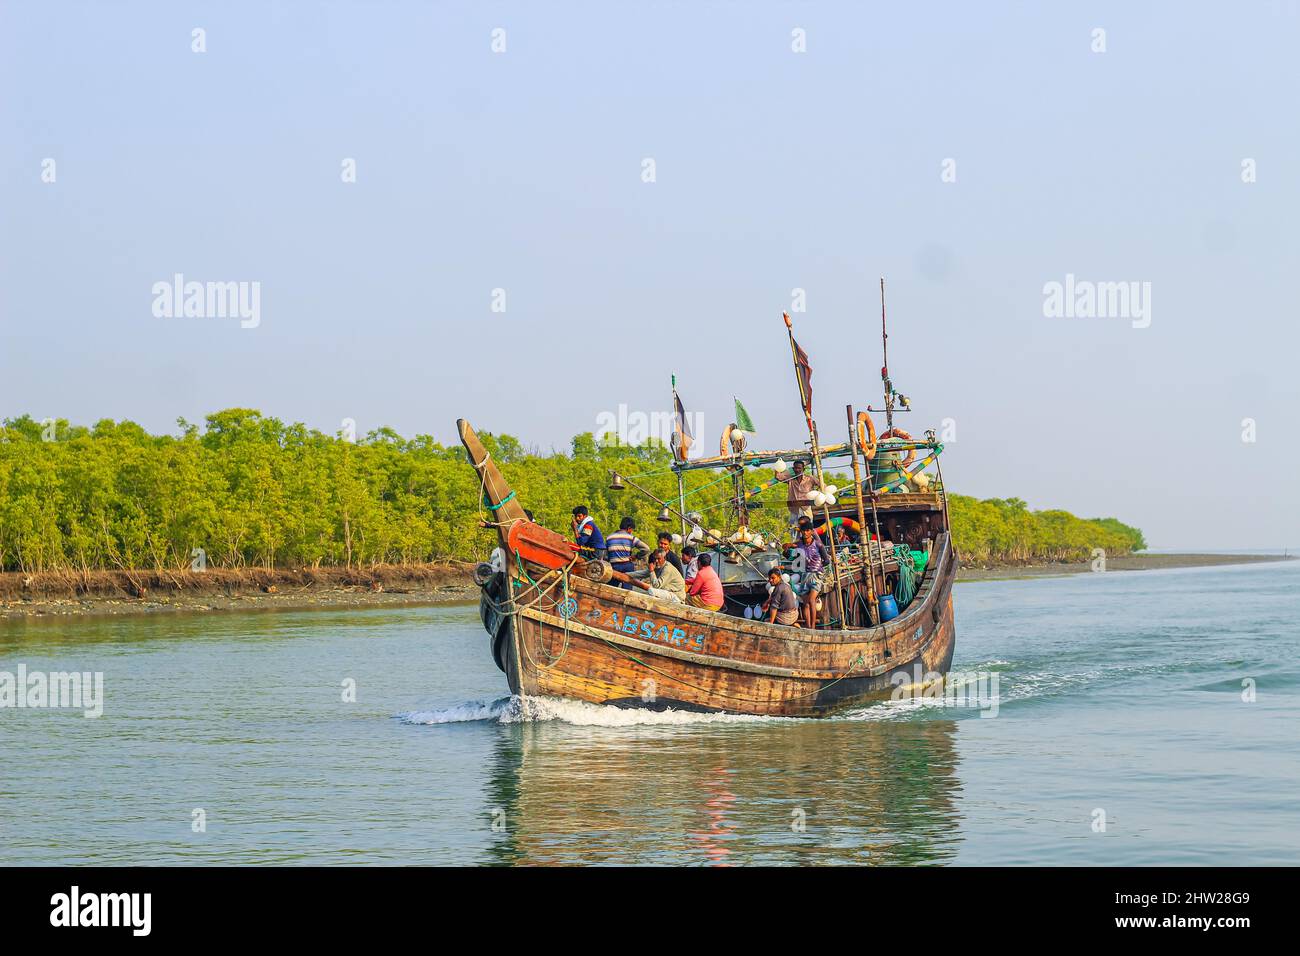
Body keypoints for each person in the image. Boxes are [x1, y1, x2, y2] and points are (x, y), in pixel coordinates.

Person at [791, 524, 829, 629]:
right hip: (805, 575)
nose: (805, 533)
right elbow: (790, 552)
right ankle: (808, 627)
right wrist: (786, 547)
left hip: (816, 575)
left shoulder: (818, 545)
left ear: (812, 532)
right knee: (805, 603)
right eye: (803, 531)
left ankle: (812, 627)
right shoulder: (799, 544)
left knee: (812, 600)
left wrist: (817, 567)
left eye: (807, 531)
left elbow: (826, 561)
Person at [774, 459, 819, 531]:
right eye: (795, 468)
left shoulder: (810, 479)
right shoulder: (791, 479)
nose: (797, 470)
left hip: (806, 508)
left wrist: (819, 495)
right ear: (793, 469)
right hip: (794, 509)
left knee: (808, 529)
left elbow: (822, 485)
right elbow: (778, 477)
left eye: (799, 468)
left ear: (803, 469)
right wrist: (778, 465)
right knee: (793, 530)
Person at [605, 517, 650, 586]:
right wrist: (636, 556)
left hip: (613, 567)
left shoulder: (609, 537)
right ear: (629, 528)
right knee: (627, 589)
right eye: (632, 530)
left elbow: (606, 555)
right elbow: (646, 549)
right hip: (627, 566)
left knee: (611, 588)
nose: (631, 532)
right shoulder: (631, 538)